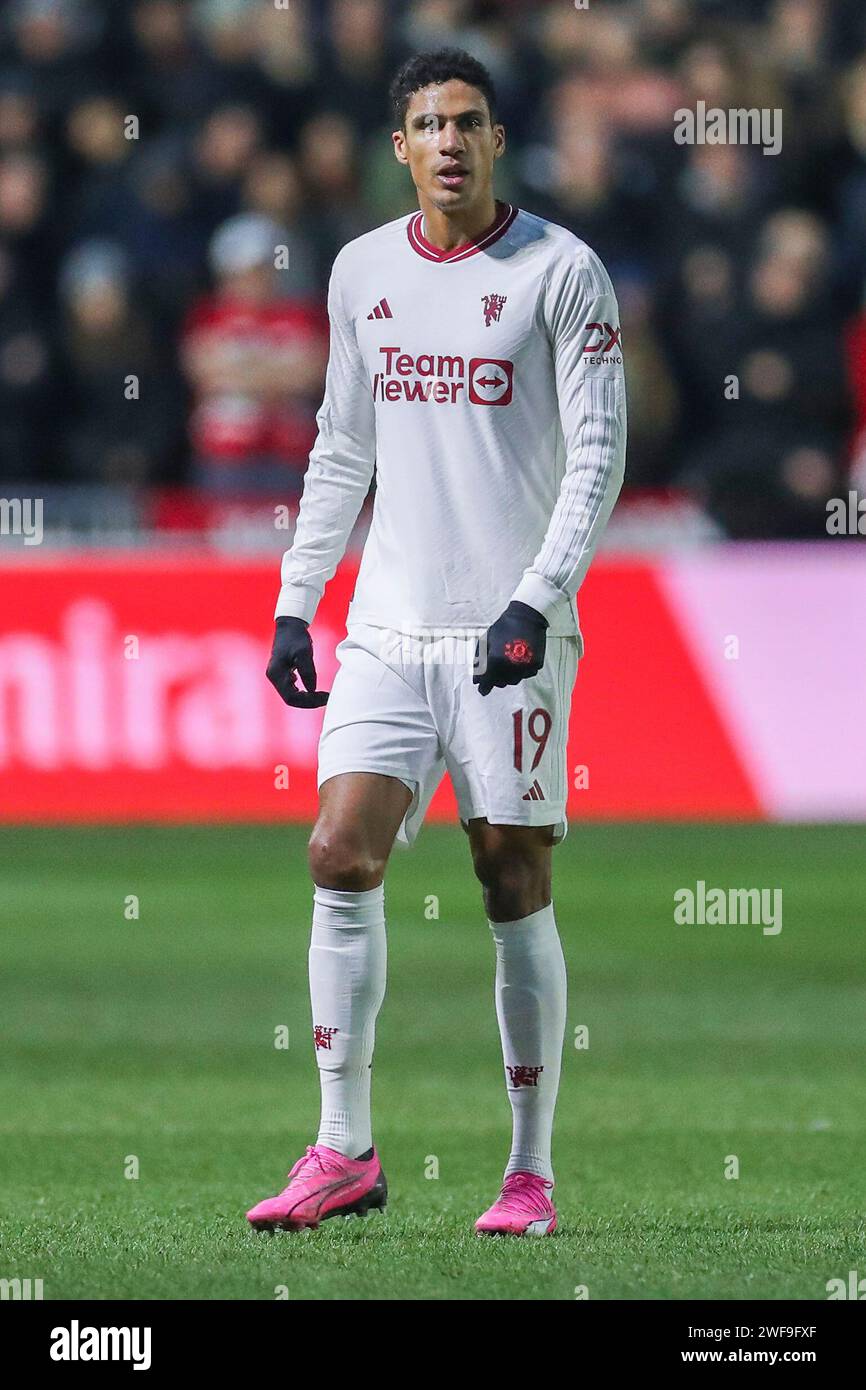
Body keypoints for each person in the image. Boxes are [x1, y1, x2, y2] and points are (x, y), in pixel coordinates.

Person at [247, 47, 626, 1238]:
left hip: (508, 632)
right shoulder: (362, 271)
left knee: (508, 878)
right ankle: (343, 1149)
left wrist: (534, 597)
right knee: (336, 853)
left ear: (496, 140)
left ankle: (527, 1172)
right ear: (398, 147)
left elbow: (597, 454)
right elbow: (339, 447)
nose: (448, 141)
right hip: (386, 629)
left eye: (467, 121)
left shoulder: (560, 272)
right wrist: (296, 596)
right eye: (426, 124)